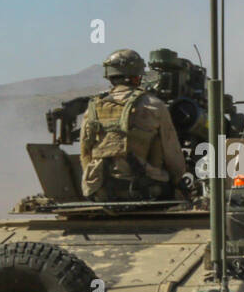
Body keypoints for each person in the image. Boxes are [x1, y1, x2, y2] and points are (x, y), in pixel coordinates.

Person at [80, 48, 189, 201]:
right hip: (143, 189)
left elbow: (85, 153)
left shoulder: (92, 109)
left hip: (100, 192)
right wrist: (178, 182)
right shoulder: (154, 105)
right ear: (137, 77)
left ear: (110, 77)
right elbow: (173, 156)